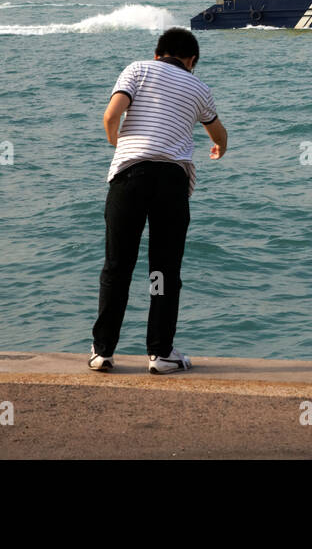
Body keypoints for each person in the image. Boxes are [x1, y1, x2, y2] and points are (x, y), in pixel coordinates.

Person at [89, 27, 227, 374]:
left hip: (130, 177)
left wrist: (116, 142)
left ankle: (103, 352)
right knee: (163, 270)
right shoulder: (199, 89)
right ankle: (160, 354)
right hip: (171, 182)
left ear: (158, 53)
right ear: (191, 60)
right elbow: (219, 133)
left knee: (117, 266)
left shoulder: (137, 69)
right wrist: (219, 148)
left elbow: (111, 115)